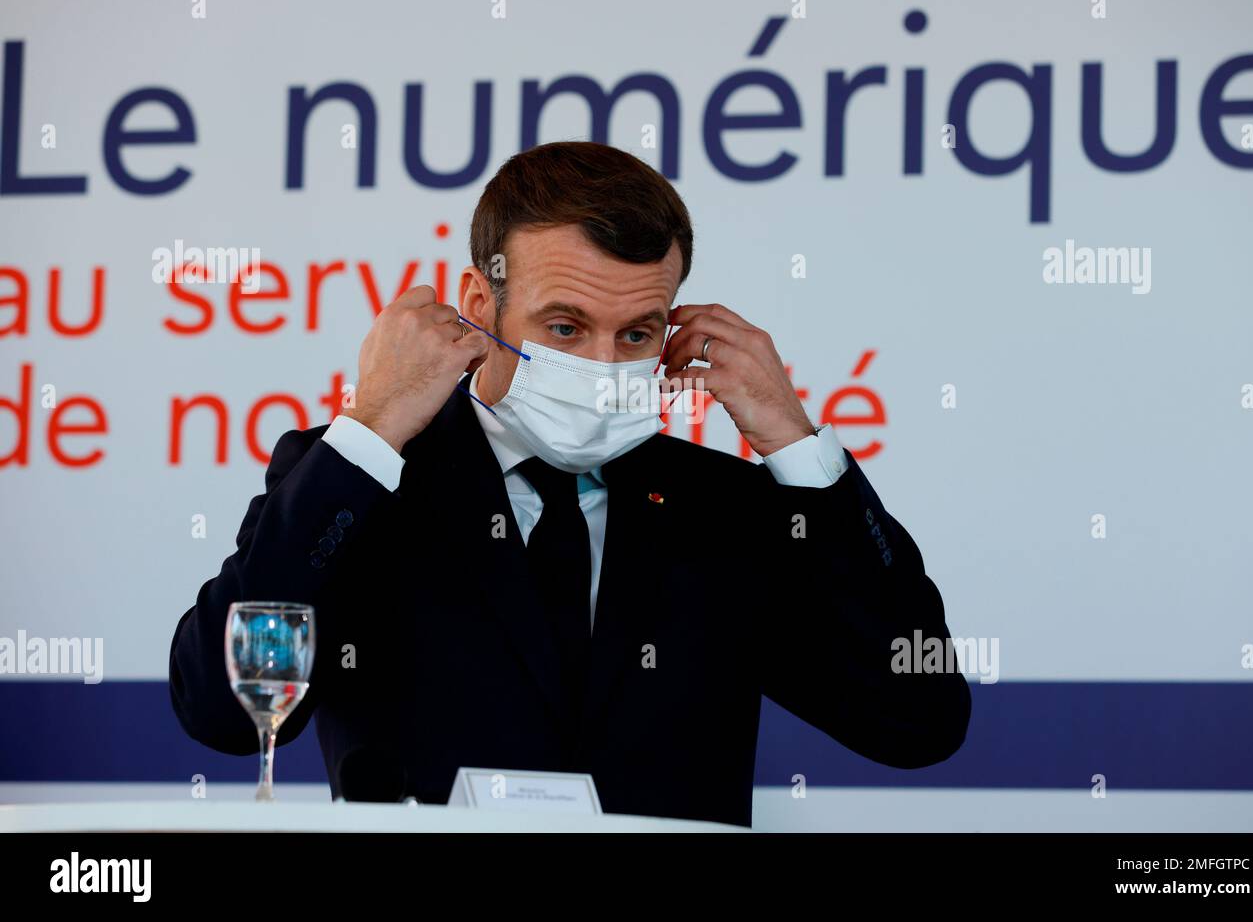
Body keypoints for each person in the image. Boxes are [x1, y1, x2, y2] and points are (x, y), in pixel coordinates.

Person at [169, 140, 970, 828]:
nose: (602, 364)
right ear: (481, 304)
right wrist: (370, 430)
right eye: (564, 327)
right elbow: (222, 712)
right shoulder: (360, 485)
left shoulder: (725, 512)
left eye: (637, 334)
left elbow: (919, 718)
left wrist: (799, 452)